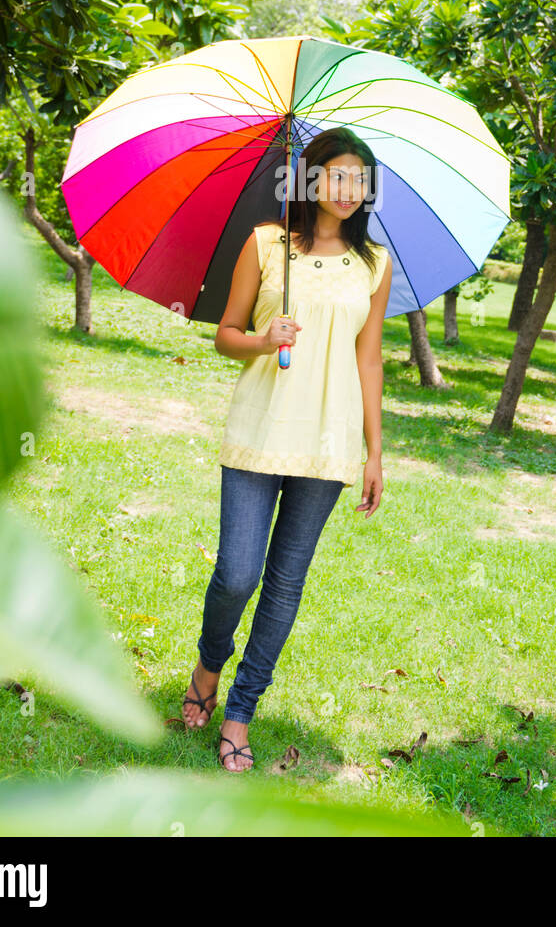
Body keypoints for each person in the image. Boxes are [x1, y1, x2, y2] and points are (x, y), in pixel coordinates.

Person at [180, 126, 392, 772]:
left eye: (361, 178)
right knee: (238, 573)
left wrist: (374, 452)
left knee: (283, 586)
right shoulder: (267, 245)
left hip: (328, 443)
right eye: (337, 174)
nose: (349, 189)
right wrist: (263, 339)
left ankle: (241, 710)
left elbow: (369, 356)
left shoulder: (374, 265)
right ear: (308, 178)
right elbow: (224, 334)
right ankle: (209, 663)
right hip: (258, 431)